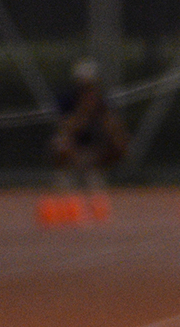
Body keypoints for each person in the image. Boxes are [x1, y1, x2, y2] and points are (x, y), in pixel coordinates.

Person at [47, 58, 128, 222]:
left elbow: (112, 126)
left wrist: (116, 139)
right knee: (60, 146)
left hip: (93, 148)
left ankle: (95, 207)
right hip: (73, 148)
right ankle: (66, 203)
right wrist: (83, 112)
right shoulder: (67, 99)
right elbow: (65, 128)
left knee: (94, 179)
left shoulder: (101, 100)